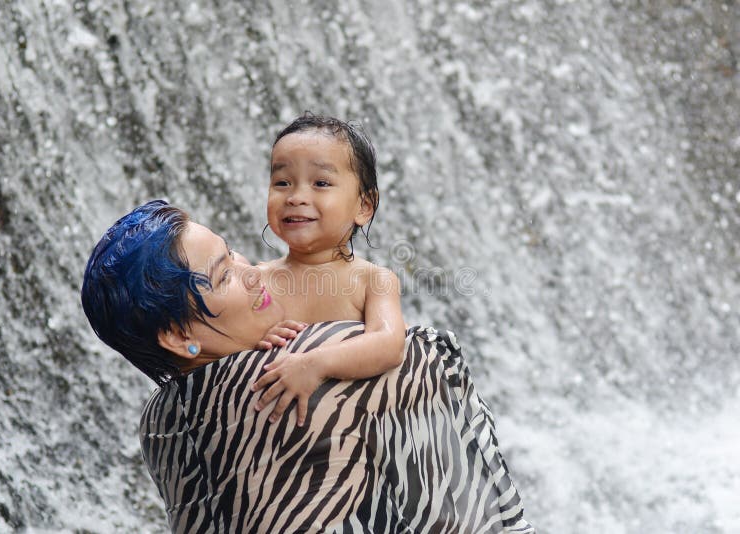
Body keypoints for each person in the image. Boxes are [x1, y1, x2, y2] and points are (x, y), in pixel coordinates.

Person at [81, 200, 533, 533]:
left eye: (234, 253)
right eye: (225, 276)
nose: (253, 271)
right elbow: (436, 360)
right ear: (179, 337)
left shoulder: (158, 425)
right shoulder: (310, 367)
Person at [251, 113, 406, 427]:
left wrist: (315, 364)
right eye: (282, 183)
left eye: (320, 183)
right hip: (273, 447)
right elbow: (227, 340)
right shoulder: (255, 280)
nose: (296, 197)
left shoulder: (372, 281)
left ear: (364, 206)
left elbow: (390, 343)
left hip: (347, 441)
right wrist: (256, 338)